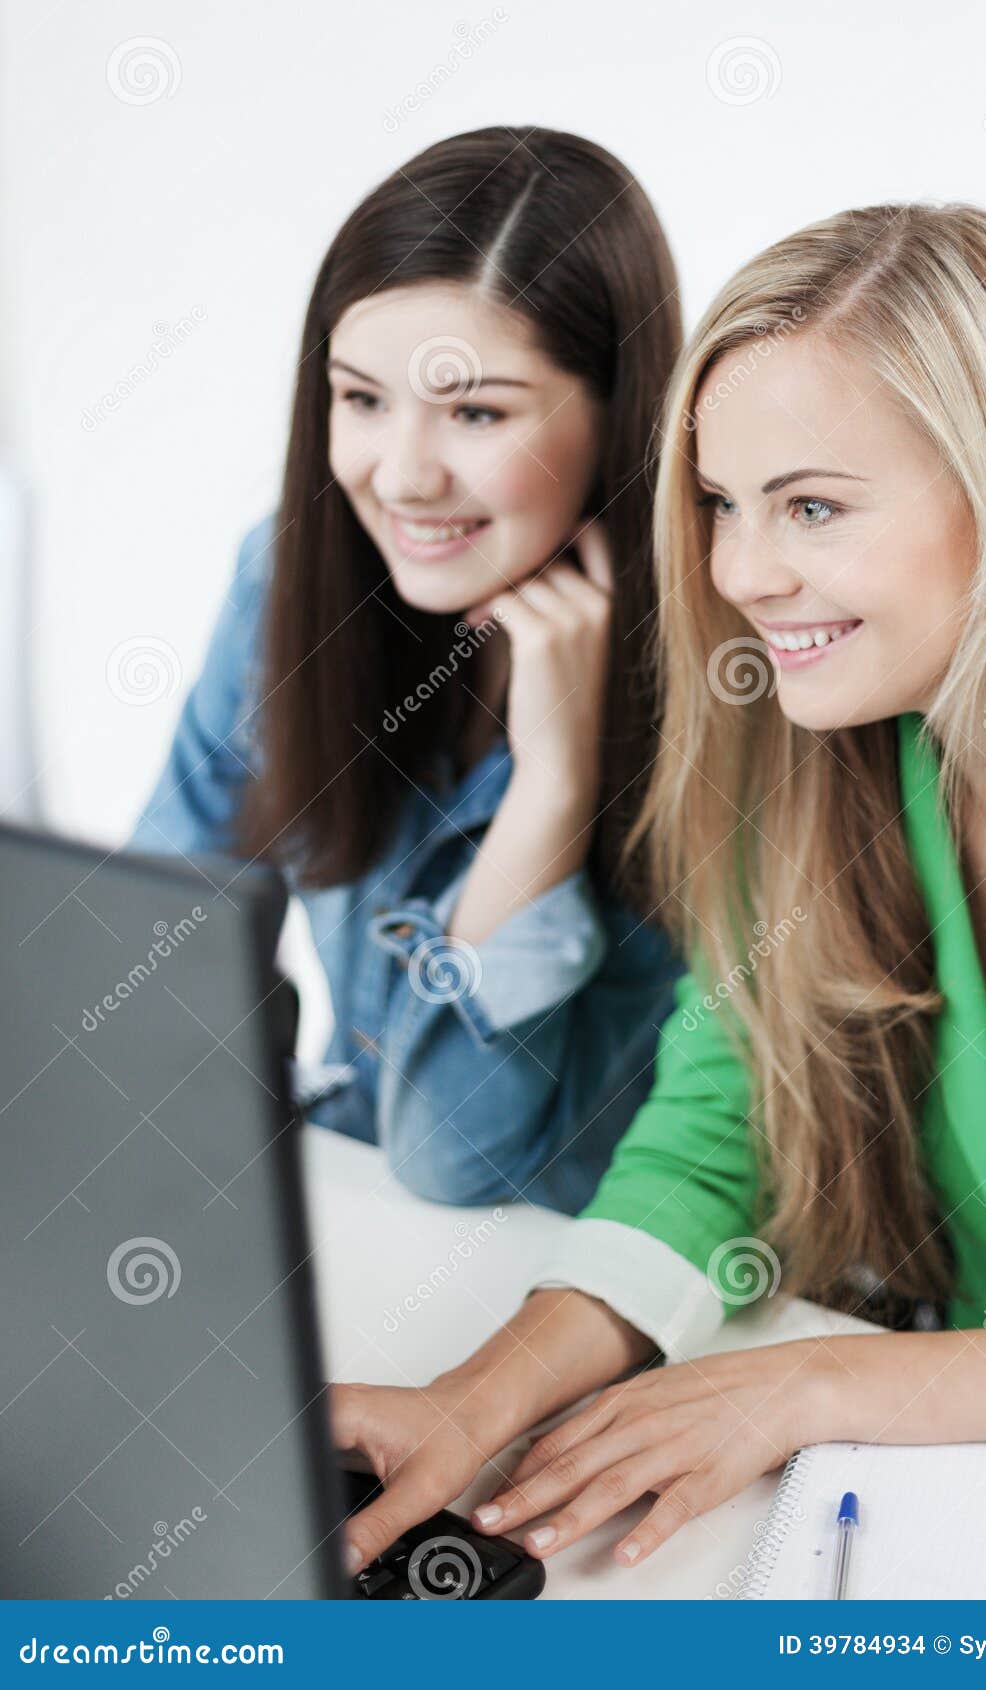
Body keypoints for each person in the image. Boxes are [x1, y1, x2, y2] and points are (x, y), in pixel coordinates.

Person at [330, 202, 986, 1577]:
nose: (737, 572)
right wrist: (471, 1400)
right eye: (722, 505)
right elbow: (713, 1141)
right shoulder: (824, 769)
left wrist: (811, 1387)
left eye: (811, 507)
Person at [127, 127, 684, 1212]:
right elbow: (147, 945)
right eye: (361, 399)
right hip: (351, 1208)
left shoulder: (728, 681)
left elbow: (459, 1153)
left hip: (571, 1261)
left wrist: (551, 791)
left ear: (619, 412)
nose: (402, 478)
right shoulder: (291, 580)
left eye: (476, 411)